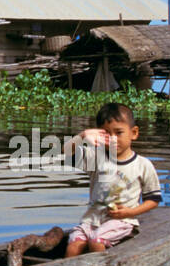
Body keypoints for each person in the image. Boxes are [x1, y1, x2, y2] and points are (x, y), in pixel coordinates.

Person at [63, 103, 163, 258]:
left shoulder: (143, 165)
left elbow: (153, 200)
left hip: (123, 221)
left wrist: (130, 212)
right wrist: (83, 135)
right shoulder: (96, 158)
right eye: (106, 134)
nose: (113, 139)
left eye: (118, 133)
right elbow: (66, 152)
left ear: (134, 133)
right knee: (74, 246)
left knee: (96, 241)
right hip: (93, 219)